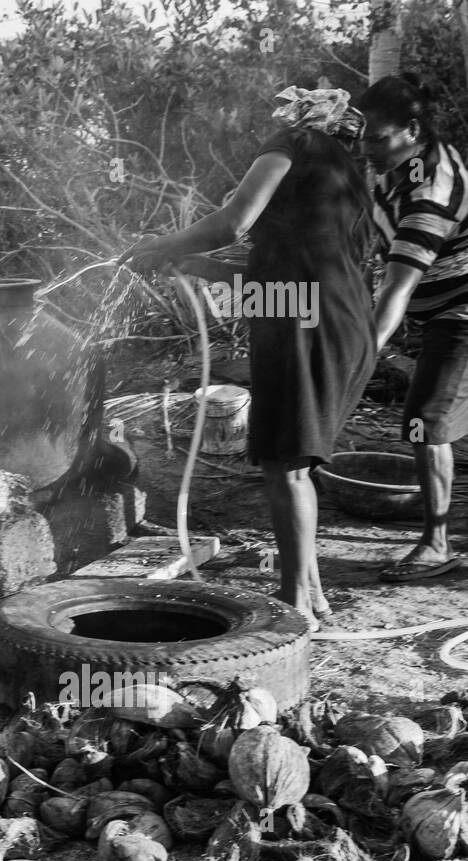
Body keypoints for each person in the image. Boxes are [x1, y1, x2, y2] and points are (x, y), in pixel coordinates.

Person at [122, 86, 376, 630]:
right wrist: (196, 266)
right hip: (341, 322)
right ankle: (311, 592)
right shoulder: (348, 176)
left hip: (304, 325)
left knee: (285, 467)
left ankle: (291, 610)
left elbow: (235, 221)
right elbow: (284, 275)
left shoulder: (292, 141)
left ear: (299, 116)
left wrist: (161, 246)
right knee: (295, 465)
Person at [358, 75, 468, 582]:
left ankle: (437, 544)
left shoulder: (434, 189)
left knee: (425, 420)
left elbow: (398, 289)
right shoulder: (394, 170)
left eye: (377, 138)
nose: (367, 148)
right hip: (441, 313)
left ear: (413, 130)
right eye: (364, 136)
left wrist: (361, 357)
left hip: (462, 312)